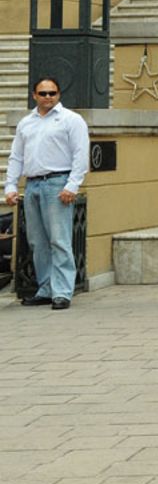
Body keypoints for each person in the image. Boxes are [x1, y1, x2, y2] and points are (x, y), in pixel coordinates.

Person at [3, 77, 89, 310]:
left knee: (59, 239)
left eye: (52, 93)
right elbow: (17, 156)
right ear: (34, 96)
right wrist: (10, 186)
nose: (48, 97)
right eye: (43, 93)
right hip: (32, 184)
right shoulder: (26, 123)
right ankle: (46, 288)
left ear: (59, 94)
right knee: (37, 241)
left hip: (57, 182)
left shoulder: (71, 120)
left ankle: (62, 291)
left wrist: (72, 186)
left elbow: (80, 155)